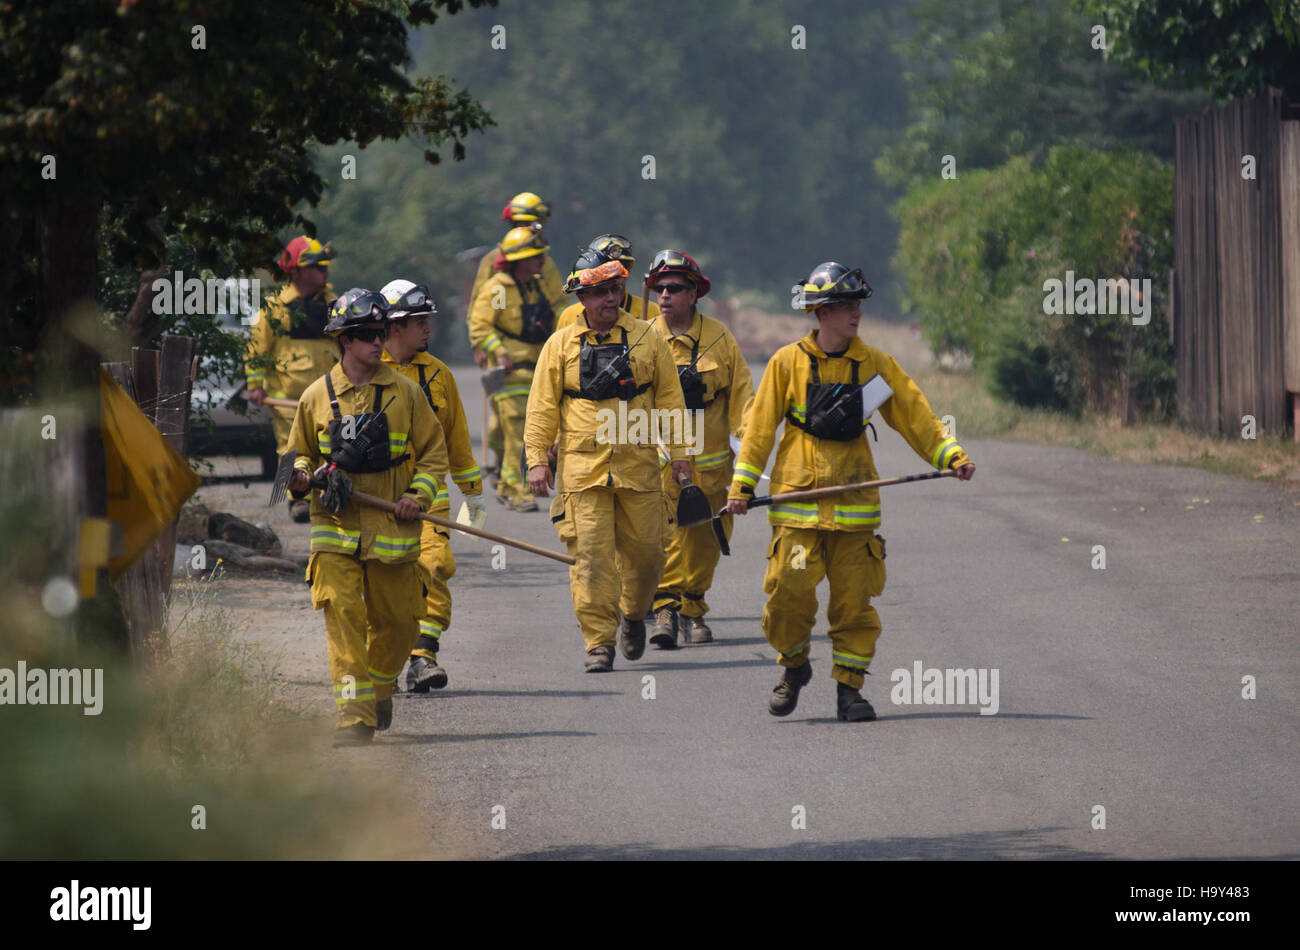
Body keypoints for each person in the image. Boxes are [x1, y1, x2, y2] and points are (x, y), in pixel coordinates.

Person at [725, 262, 975, 722]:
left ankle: (849, 690)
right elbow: (758, 430)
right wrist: (742, 485)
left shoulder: (874, 366)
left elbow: (913, 414)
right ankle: (795, 667)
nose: (856, 312)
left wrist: (950, 455)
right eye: (846, 305)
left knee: (853, 605)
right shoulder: (786, 363)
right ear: (821, 312)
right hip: (796, 510)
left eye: (859, 303)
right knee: (788, 594)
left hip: (854, 514)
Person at [286, 288, 448, 745]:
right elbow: (296, 455)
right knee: (344, 617)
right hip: (334, 531)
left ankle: (378, 691)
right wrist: (303, 476)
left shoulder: (407, 394)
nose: (378, 342)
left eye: (381, 333)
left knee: (399, 625)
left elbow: (434, 456)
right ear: (344, 340)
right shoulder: (315, 397)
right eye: (366, 335)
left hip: (392, 532)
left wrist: (418, 494)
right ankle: (354, 717)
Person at [523, 256, 690, 672]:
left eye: (615, 290)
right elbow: (542, 408)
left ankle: (633, 615)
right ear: (582, 298)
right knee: (592, 559)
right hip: (583, 472)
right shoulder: (559, 345)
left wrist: (682, 455)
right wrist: (536, 461)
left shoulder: (649, 338)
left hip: (640, 469)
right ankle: (599, 641)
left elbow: (671, 399)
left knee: (649, 555)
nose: (610, 299)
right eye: (599, 293)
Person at [643, 250, 753, 648]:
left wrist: (750, 458)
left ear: (694, 294)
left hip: (713, 471)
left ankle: (693, 605)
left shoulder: (720, 340)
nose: (665, 295)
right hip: (660, 467)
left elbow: (744, 403)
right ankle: (666, 611)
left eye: (675, 288)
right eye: (660, 288)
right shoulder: (642, 338)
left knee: (706, 543)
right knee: (665, 539)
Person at [379, 279, 485, 692]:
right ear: (394, 326)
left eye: (428, 320)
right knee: (385, 575)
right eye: (419, 321)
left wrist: (473, 493)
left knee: (435, 565)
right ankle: (383, 662)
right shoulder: (369, 370)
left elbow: (456, 437)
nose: (428, 329)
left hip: (428, 493)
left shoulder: (439, 374)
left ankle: (423, 656)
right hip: (378, 495)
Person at [468, 193, 564, 486]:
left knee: (523, 417)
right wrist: (484, 346)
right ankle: (508, 471)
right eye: (527, 224)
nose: (536, 231)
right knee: (505, 418)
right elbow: (480, 310)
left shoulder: (543, 264)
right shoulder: (494, 268)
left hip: (536, 354)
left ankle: (512, 470)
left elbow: (557, 303)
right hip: (503, 355)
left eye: (537, 224)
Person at [245, 235, 337, 522]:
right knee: (290, 450)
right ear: (296, 271)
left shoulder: (335, 304)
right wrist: (255, 385)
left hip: (328, 393)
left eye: (325, 265)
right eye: (317, 265)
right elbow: (257, 348)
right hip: (287, 398)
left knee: (329, 447)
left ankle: (326, 494)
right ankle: (297, 498)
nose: (325, 271)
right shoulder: (274, 308)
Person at [554, 234, 661, 329]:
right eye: (607, 271)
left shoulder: (651, 311)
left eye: (620, 269)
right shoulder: (569, 316)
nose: (614, 276)